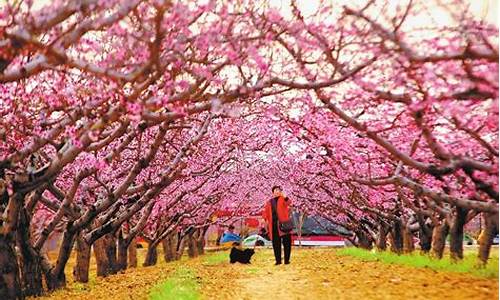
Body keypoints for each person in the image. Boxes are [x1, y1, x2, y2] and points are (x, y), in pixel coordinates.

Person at [262, 185, 293, 265]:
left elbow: (289, 203)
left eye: (279, 190)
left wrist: (285, 197)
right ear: (273, 192)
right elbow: (265, 212)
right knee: (276, 244)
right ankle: (278, 261)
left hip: (284, 224)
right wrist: (264, 219)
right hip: (273, 225)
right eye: (275, 190)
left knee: (287, 243)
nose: (277, 191)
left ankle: (287, 260)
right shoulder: (269, 202)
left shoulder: (283, 199)